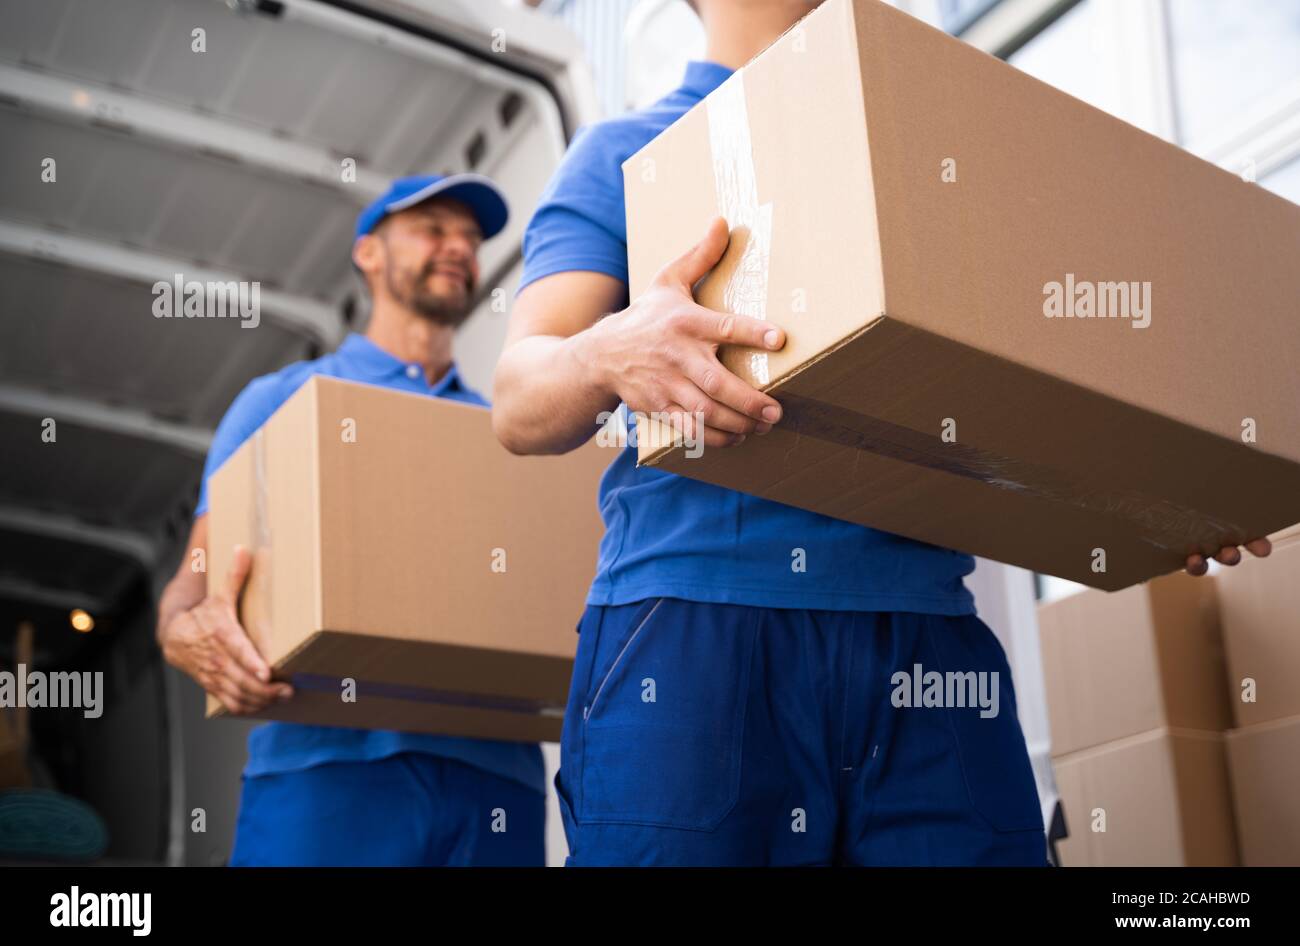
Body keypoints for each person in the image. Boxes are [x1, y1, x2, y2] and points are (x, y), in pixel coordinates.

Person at [491, 0, 1272, 866]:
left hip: (926, 633)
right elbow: (518, 401)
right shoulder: (627, 155)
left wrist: (1161, 499)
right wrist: (612, 349)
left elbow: (1033, 377)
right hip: (693, 632)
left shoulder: (919, 137)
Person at [157, 174, 546, 866]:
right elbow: (195, 577)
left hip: (494, 781)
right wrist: (180, 630)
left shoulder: (506, 427)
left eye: (470, 238)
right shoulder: (281, 401)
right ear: (368, 253)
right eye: (433, 229)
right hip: (325, 772)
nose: (458, 247)